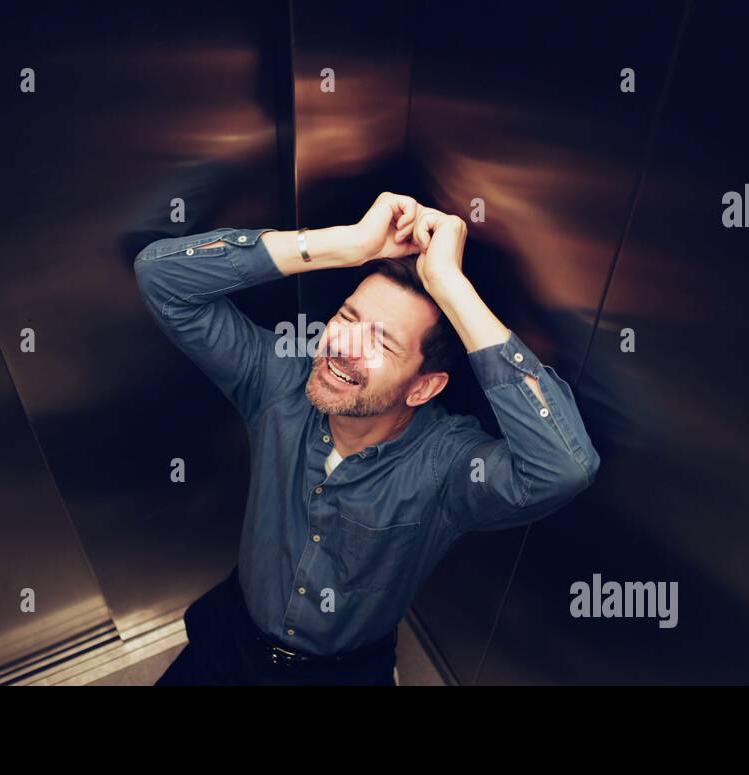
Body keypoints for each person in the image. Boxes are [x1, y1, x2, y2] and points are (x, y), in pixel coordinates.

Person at [136, 192, 600, 685]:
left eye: (380, 341)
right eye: (348, 317)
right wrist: (349, 245)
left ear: (423, 387)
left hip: (342, 673)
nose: (344, 344)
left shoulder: (446, 467)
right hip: (231, 639)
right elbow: (160, 277)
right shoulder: (278, 381)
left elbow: (563, 467)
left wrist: (450, 286)